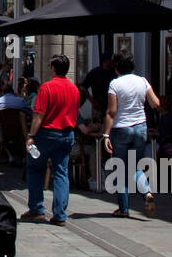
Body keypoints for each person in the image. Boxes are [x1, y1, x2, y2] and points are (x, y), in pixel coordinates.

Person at [22, 55, 81, 225]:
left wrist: (31, 136)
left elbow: (39, 115)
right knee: (61, 173)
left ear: (53, 68)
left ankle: (37, 209)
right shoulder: (74, 89)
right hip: (66, 134)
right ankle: (60, 215)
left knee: (34, 169)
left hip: (46, 134)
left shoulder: (46, 87)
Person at [103, 49, 161, 218]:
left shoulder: (115, 84)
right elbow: (155, 103)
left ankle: (124, 208)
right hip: (140, 127)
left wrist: (106, 134)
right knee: (134, 166)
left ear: (117, 67)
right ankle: (147, 193)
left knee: (121, 169)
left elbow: (111, 111)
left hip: (121, 129)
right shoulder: (142, 81)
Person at [81, 51, 117, 123]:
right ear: (106, 61)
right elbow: (83, 87)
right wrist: (92, 101)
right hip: (99, 105)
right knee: (98, 125)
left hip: (111, 104)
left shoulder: (114, 73)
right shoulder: (95, 72)